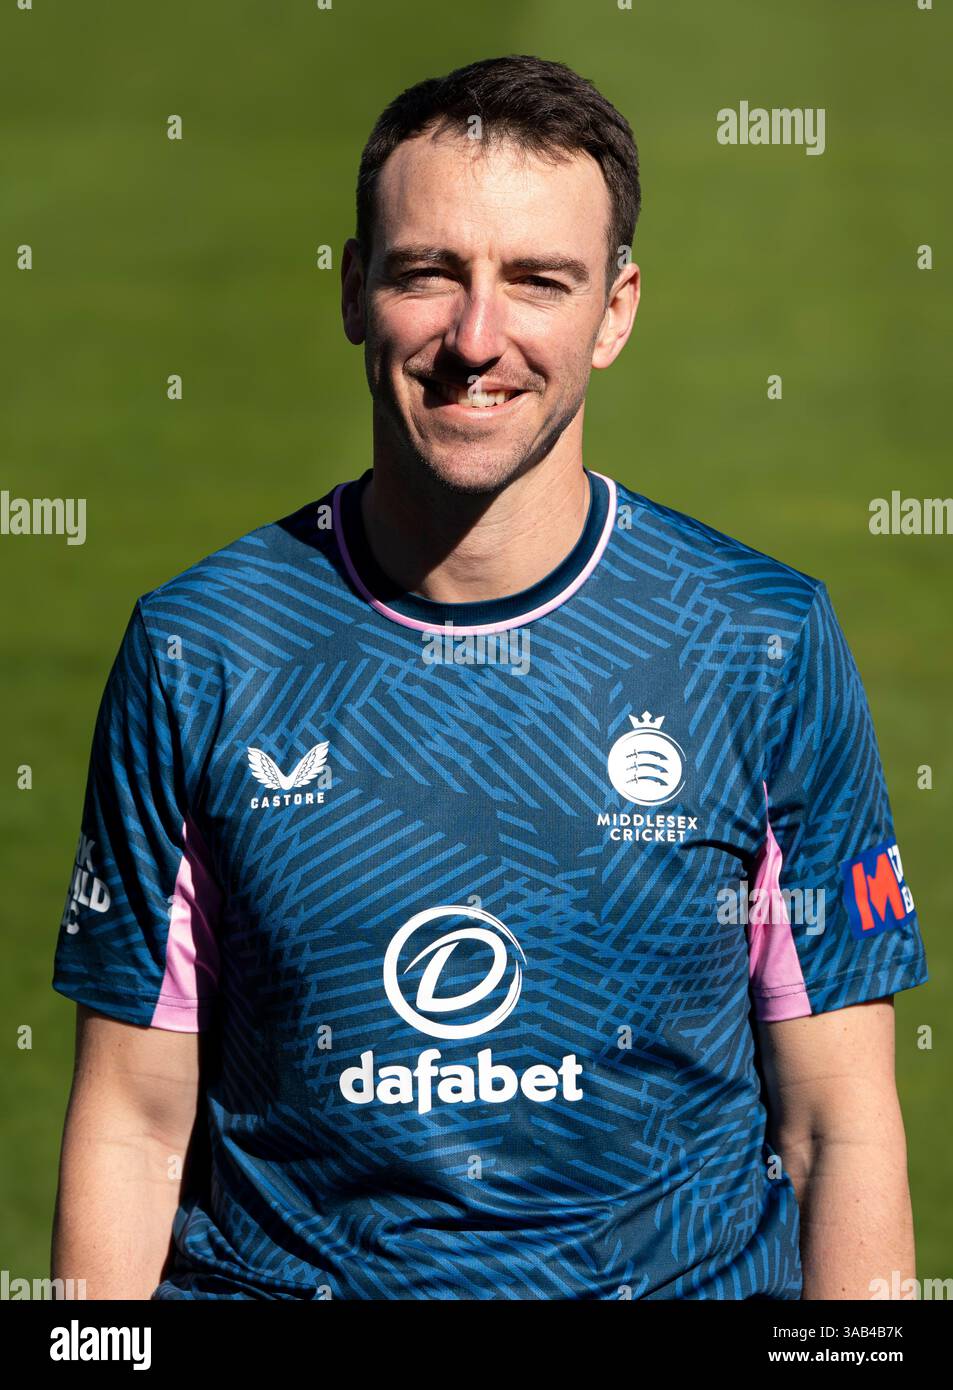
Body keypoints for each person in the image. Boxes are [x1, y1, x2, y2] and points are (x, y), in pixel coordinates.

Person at [51, 54, 927, 1301]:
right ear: (355, 291)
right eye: (427, 272)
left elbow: (836, 1121)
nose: (476, 339)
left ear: (615, 310)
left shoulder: (758, 640)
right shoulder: (203, 648)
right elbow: (134, 1125)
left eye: (536, 281)